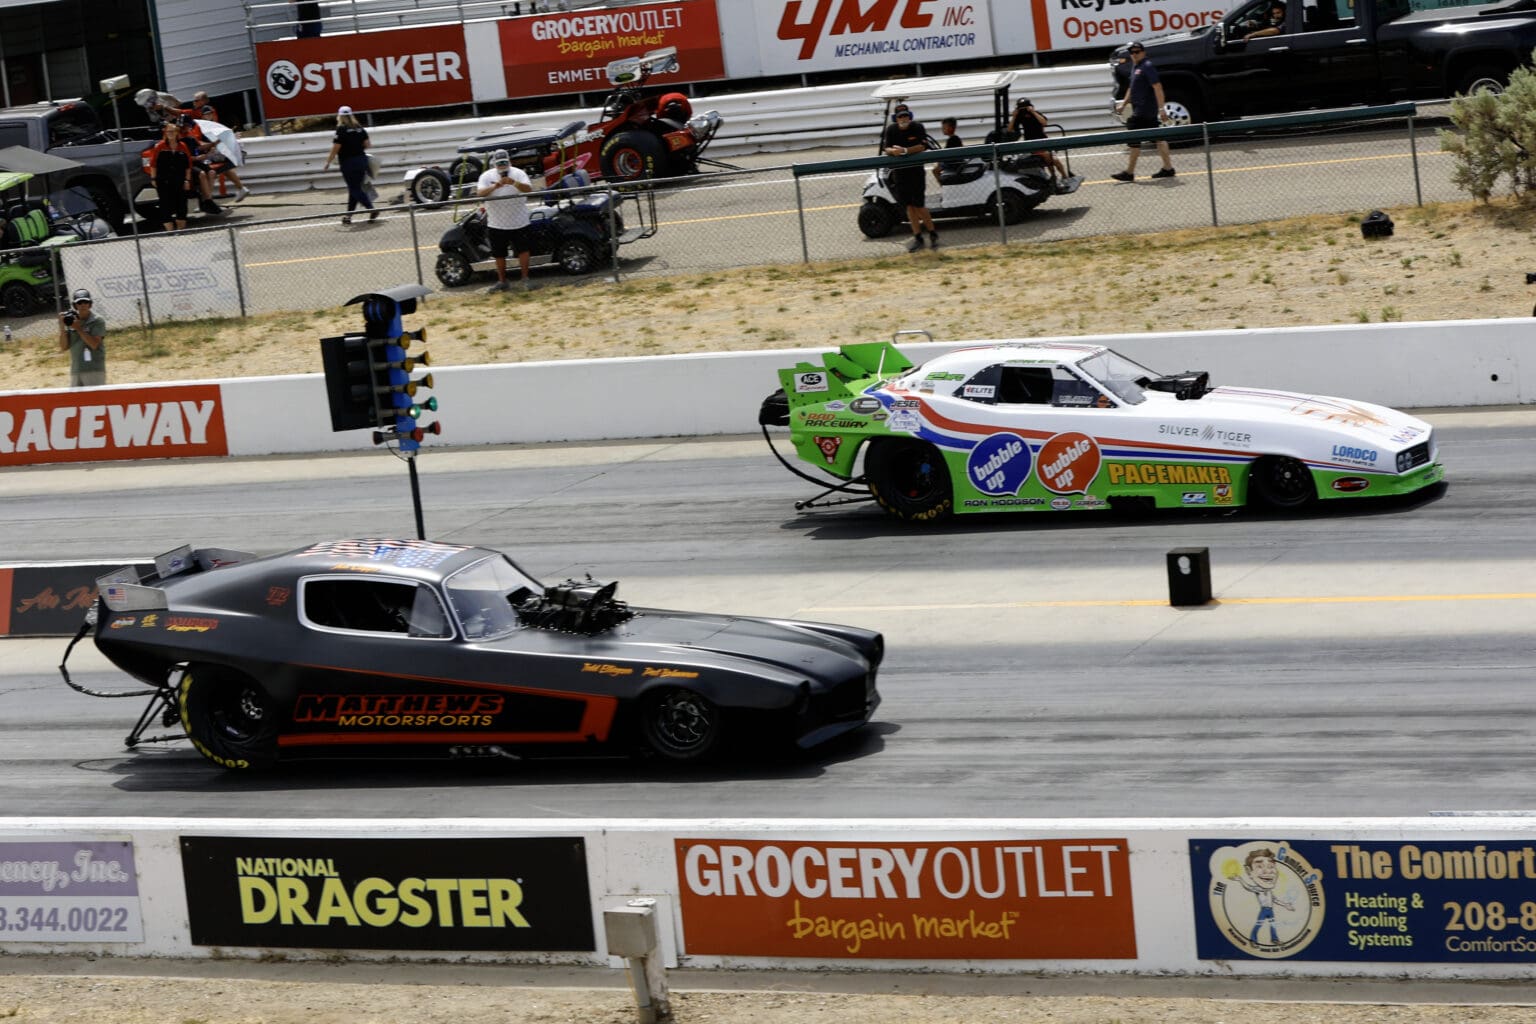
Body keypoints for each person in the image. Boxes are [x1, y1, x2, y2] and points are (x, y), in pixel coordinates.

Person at [475, 148, 538, 292]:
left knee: (523, 250)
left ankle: (525, 278)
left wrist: (513, 183)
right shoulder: (486, 175)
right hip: (497, 222)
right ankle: (502, 281)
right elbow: (480, 193)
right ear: (494, 164)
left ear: (509, 161)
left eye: (505, 162)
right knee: (499, 253)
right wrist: (496, 185)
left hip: (519, 220)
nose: (502, 166)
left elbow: (529, 189)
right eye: (499, 163)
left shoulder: (518, 173)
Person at [1112, 42, 1176, 181]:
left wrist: (1161, 109)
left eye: (1137, 51)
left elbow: (1158, 87)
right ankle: (1168, 168)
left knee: (1134, 139)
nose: (1134, 54)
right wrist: (1123, 104)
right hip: (1141, 110)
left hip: (1145, 111)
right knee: (1158, 138)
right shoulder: (1136, 67)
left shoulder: (1147, 66)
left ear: (1143, 52)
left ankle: (1129, 172)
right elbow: (1131, 88)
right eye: (1132, 52)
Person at [882, 108, 938, 252]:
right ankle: (917, 236)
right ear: (896, 118)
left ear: (910, 116)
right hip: (900, 174)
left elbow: (923, 146)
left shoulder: (917, 127)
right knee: (909, 206)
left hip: (916, 172)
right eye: (901, 117)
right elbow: (886, 147)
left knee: (919, 205)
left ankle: (932, 233)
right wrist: (892, 152)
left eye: (906, 116)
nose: (903, 119)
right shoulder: (891, 130)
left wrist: (904, 151)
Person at [322, 106, 377, 225]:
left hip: (348, 163)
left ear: (340, 116)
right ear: (351, 115)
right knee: (354, 189)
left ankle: (371, 209)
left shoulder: (341, 129)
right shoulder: (359, 128)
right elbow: (368, 145)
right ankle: (348, 216)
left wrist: (328, 162)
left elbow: (336, 148)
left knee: (354, 189)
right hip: (362, 161)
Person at [1010, 98, 1075, 191]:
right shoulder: (1019, 117)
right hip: (1031, 143)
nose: (1024, 110)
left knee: (1054, 159)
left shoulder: (1036, 113)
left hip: (1043, 140)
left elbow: (1044, 122)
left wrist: (1033, 112)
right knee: (1048, 156)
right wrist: (1014, 116)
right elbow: (1010, 129)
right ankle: (1053, 177)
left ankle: (1064, 176)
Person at [146, 121, 196, 231]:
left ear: (177, 133)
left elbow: (188, 165)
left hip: (179, 179)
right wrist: (153, 178)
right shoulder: (160, 146)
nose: (170, 134)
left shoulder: (183, 146)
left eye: (172, 131)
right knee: (165, 204)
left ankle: (181, 228)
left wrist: (187, 180)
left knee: (182, 203)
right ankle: (170, 230)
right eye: (168, 132)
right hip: (163, 180)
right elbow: (153, 164)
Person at [58, 289, 105, 388]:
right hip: (76, 370)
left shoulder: (97, 321)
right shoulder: (71, 320)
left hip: (93, 369)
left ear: (90, 304)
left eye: (86, 302)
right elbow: (63, 347)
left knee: (96, 401)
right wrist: (62, 327)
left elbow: (94, 344)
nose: (83, 305)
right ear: (75, 306)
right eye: (79, 302)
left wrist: (78, 328)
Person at [931, 116, 963, 183]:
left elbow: (947, 153)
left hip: (953, 163)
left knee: (935, 171)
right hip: (952, 161)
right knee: (938, 165)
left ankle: (943, 184)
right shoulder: (953, 138)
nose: (942, 129)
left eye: (944, 128)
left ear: (951, 128)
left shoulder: (953, 139)